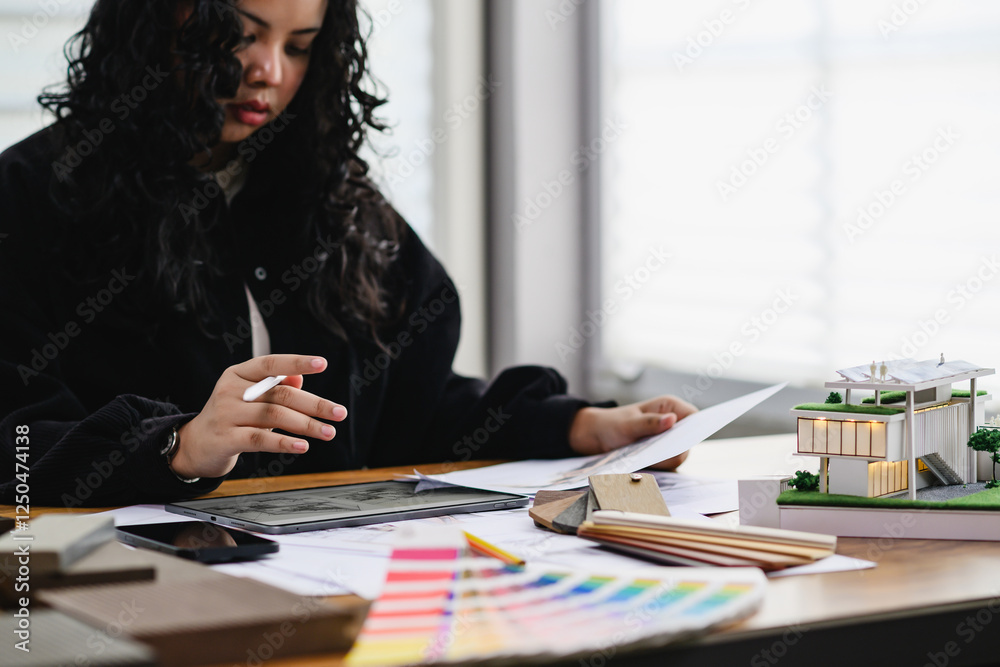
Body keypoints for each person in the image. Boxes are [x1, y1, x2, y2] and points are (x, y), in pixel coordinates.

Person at [0, 0, 694, 508]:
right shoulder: (31, 198)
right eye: (240, 35)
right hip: (119, 599)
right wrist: (176, 447)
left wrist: (582, 425)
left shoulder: (335, 201)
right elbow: (16, 446)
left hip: (330, 588)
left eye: (300, 46)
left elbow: (412, 411)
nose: (268, 71)